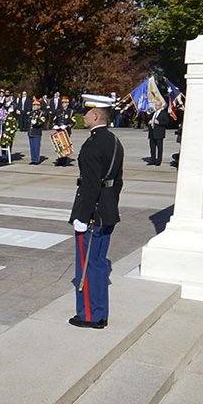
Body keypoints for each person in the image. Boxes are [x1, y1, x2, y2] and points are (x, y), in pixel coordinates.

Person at [68, 95, 123, 328]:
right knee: (98, 264)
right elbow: (117, 182)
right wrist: (109, 204)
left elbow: (90, 185)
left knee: (88, 265)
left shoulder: (92, 145)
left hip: (93, 215)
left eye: (86, 113)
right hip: (107, 210)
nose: (83, 117)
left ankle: (90, 315)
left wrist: (82, 216)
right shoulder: (114, 141)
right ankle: (100, 312)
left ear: (96, 115)